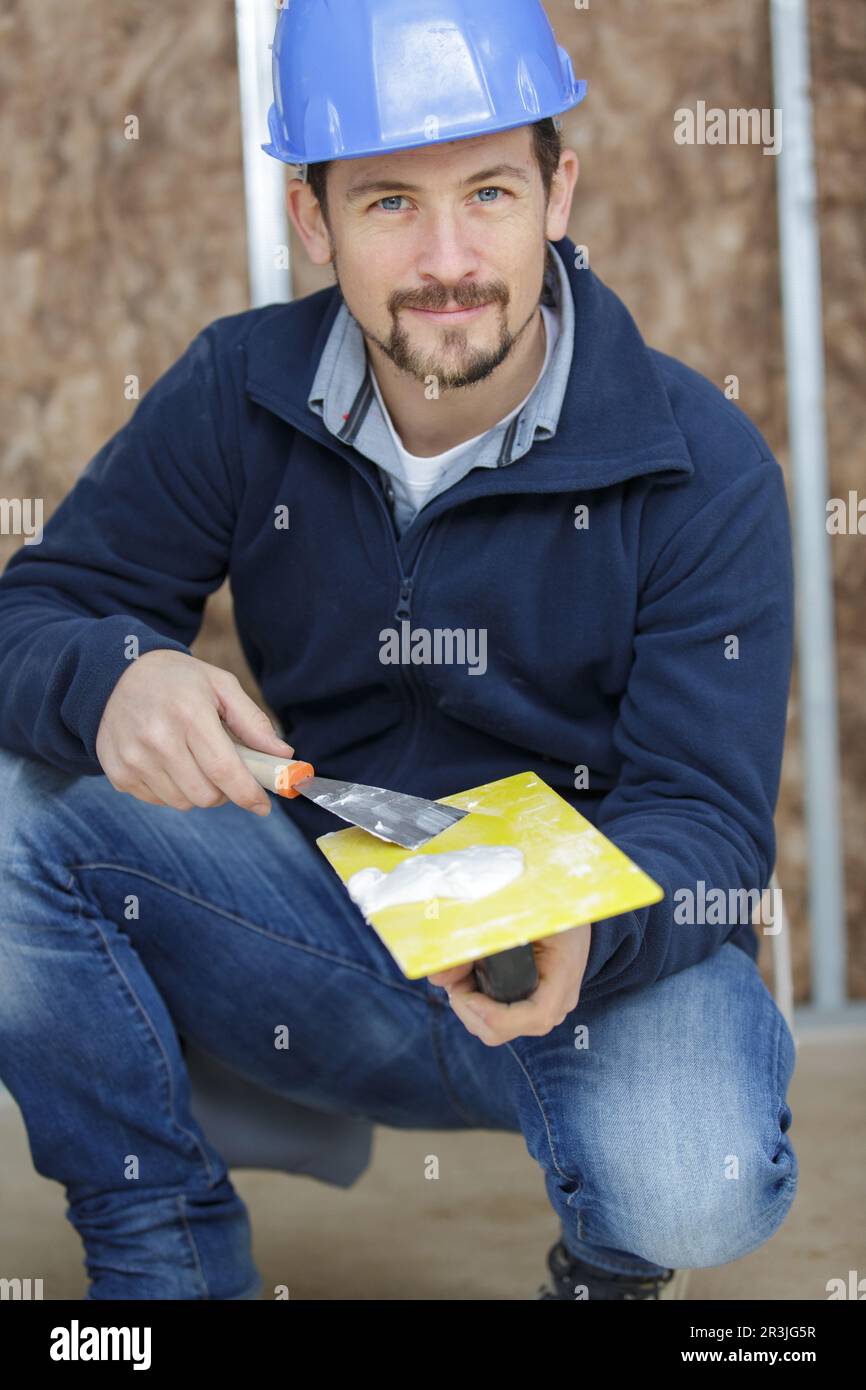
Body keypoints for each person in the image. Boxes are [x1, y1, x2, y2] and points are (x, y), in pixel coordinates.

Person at [0, 0, 797, 1300]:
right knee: (9, 808)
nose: (445, 257)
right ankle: (161, 1264)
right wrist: (110, 680)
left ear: (556, 192)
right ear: (312, 219)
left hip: (590, 966)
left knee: (689, 1171)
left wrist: (577, 930)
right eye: (385, 203)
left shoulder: (696, 464)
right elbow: (29, 620)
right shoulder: (234, 389)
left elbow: (704, 822)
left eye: (487, 190)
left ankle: (606, 1272)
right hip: (322, 942)